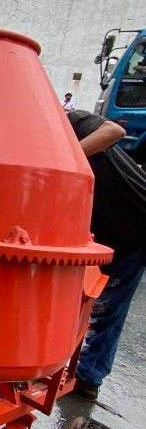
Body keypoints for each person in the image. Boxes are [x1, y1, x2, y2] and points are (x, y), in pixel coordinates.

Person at [68, 109, 146, 399]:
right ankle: (76, 367)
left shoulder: (71, 121)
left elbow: (114, 131)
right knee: (84, 297)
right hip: (108, 228)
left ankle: (89, 376)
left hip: (136, 224)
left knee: (108, 306)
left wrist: (65, 160)